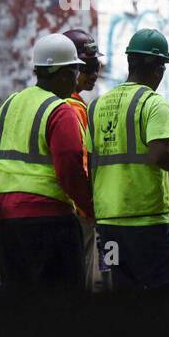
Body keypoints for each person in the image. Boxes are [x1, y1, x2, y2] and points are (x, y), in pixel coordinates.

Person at [86, 28, 169, 291]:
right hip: (146, 222)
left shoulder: (97, 106)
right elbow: (159, 154)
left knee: (121, 288)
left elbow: (90, 161)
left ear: (130, 62)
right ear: (159, 68)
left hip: (108, 224)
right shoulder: (153, 103)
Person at [0, 33, 93, 293]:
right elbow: (69, 168)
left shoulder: (10, 104)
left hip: (3, 223)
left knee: (18, 302)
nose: (77, 78)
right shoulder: (60, 110)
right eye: (76, 70)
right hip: (48, 221)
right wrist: (90, 207)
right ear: (63, 73)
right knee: (61, 306)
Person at [62, 27, 102, 284]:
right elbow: (79, 164)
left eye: (96, 66)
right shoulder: (73, 108)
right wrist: (88, 208)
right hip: (75, 212)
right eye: (86, 68)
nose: (94, 74)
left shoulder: (33, 102)